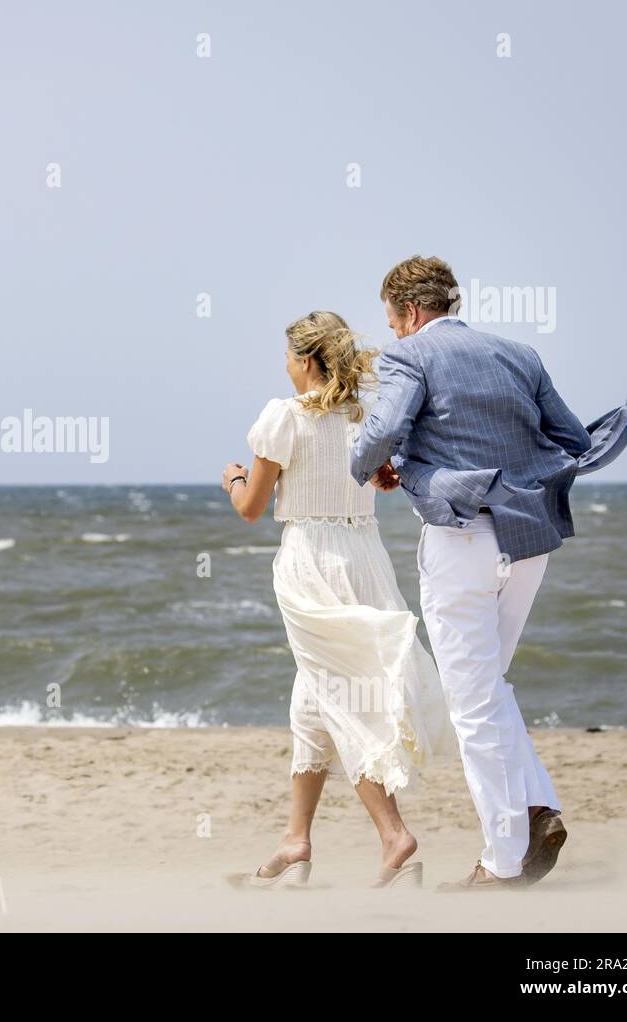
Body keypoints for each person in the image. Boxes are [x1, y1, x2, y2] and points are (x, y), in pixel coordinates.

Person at [350, 254, 627, 891]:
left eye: (393, 322)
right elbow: (569, 437)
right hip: (527, 541)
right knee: (487, 689)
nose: (393, 333)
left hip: (462, 541)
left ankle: (503, 863)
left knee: (472, 702)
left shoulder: (411, 356)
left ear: (412, 312)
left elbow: (384, 428)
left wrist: (371, 463)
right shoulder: (520, 354)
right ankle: (537, 812)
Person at [223, 311, 457, 890]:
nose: (283, 366)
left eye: (286, 356)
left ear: (304, 360)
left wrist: (230, 478)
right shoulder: (363, 419)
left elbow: (251, 509)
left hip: (311, 563)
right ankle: (295, 843)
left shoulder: (285, 416)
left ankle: (394, 836)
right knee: (315, 698)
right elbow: (384, 476)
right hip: (366, 559)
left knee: (340, 697)